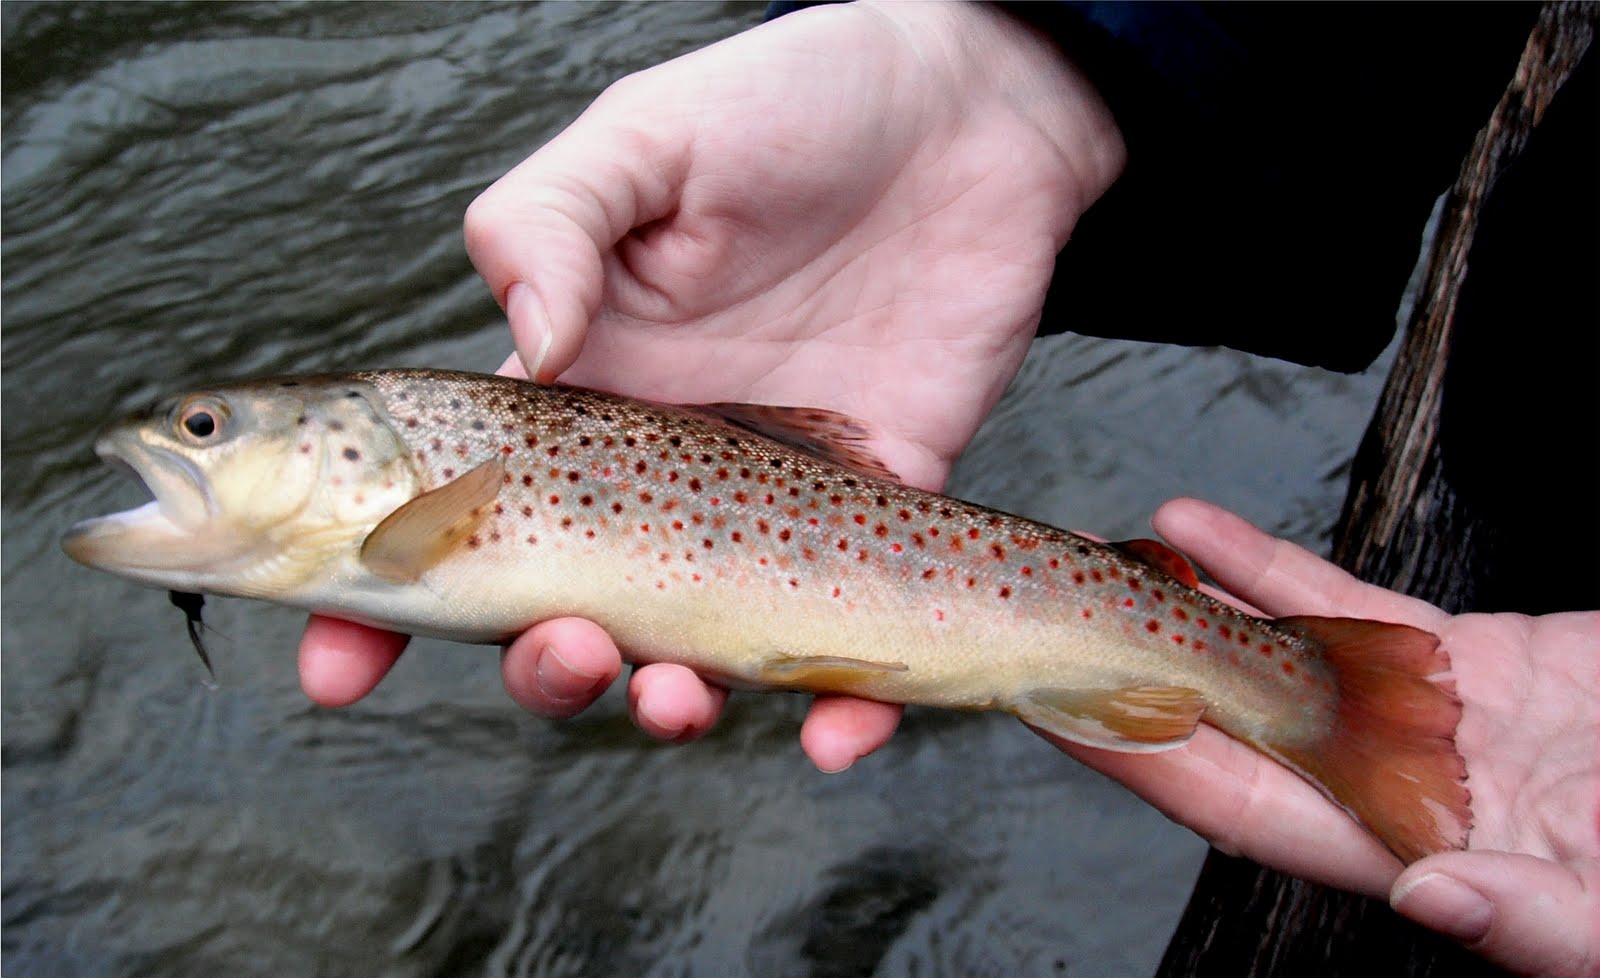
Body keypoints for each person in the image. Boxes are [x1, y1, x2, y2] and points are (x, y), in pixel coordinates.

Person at [294, 4, 1597, 975]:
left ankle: (1319, 693)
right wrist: (1031, 65)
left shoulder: (406, 505)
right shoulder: (400, 500)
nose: (180, 446)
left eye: (202, 426)